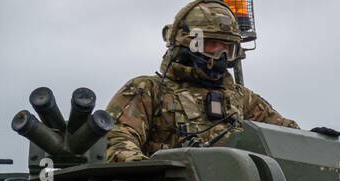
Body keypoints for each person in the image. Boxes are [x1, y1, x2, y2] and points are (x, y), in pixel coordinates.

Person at [105, 1, 316, 163]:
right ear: (188, 43)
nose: (221, 55)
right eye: (212, 45)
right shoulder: (148, 90)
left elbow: (283, 135)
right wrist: (151, 170)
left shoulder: (242, 98)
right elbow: (119, 142)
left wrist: (315, 141)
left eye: (228, 47)